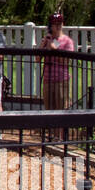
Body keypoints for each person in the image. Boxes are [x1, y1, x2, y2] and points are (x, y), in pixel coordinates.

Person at [39, 11, 74, 141]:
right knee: (49, 108)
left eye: (60, 23)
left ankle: (60, 137)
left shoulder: (67, 42)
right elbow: (37, 59)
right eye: (54, 24)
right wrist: (43, 45)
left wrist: (54, 49)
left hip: (61, 79)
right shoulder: (48, 40)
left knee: (60, 107)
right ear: (50, 26)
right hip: (48, 78)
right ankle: (52, 135)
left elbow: (65, 61)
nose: (58, 26)